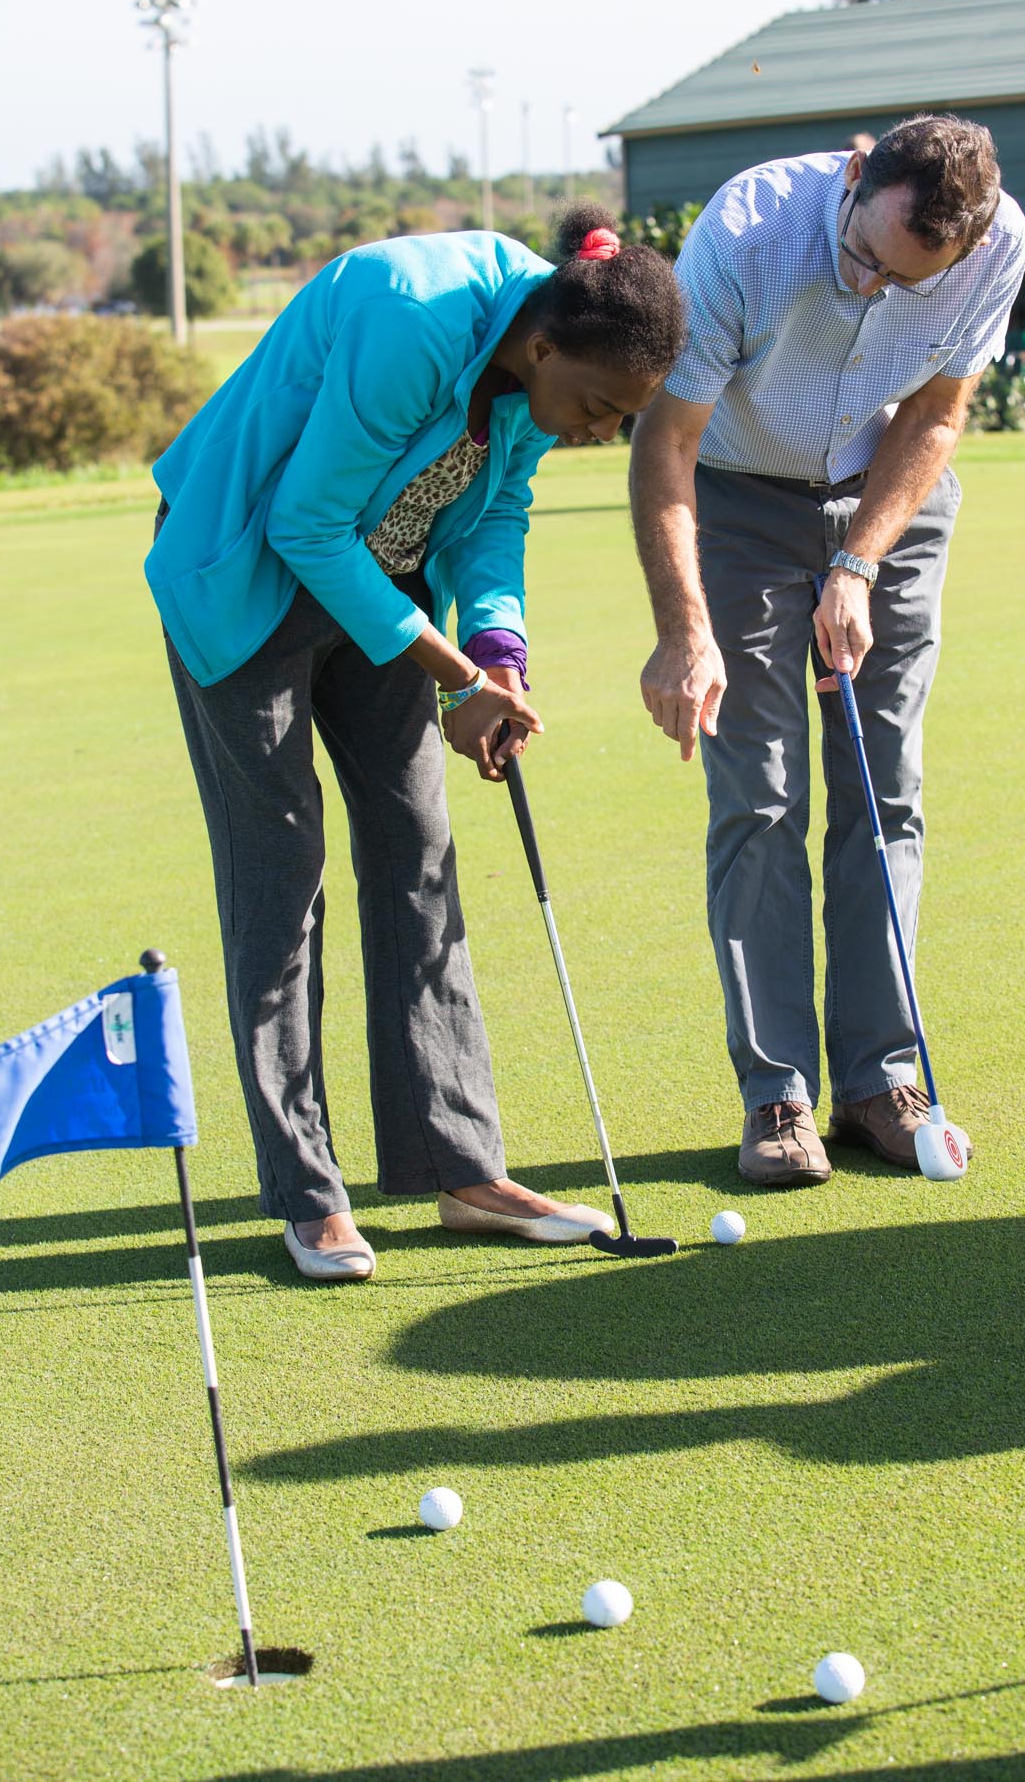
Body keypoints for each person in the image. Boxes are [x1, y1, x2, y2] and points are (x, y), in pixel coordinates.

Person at [146, 205, 686, 1279]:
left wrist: (498, 653)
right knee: (281, 868)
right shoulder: (415, 317)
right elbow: (304, 524)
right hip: (243, 569)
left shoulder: (555, 349)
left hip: (382, 584)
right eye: (597, 407)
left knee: (418, 848)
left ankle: (460, 1168)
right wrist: (457, 678)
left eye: (623, 419)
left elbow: (495, 514)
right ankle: (309, 1191)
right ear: (543, 349)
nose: (600, 432)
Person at [629, 115, 1025, 1185]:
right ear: (855, 173)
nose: (868, 287)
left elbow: (936, 413)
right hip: (738, 500)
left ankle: (879, 1081)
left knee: (882, 787)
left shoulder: (997, 244)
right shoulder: (744, 234)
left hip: (888, 498)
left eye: (901, 281)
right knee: (759, 798)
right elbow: (667, 438)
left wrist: (856, 564)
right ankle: (777, 1093)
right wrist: (684, 628)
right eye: (862, 255)